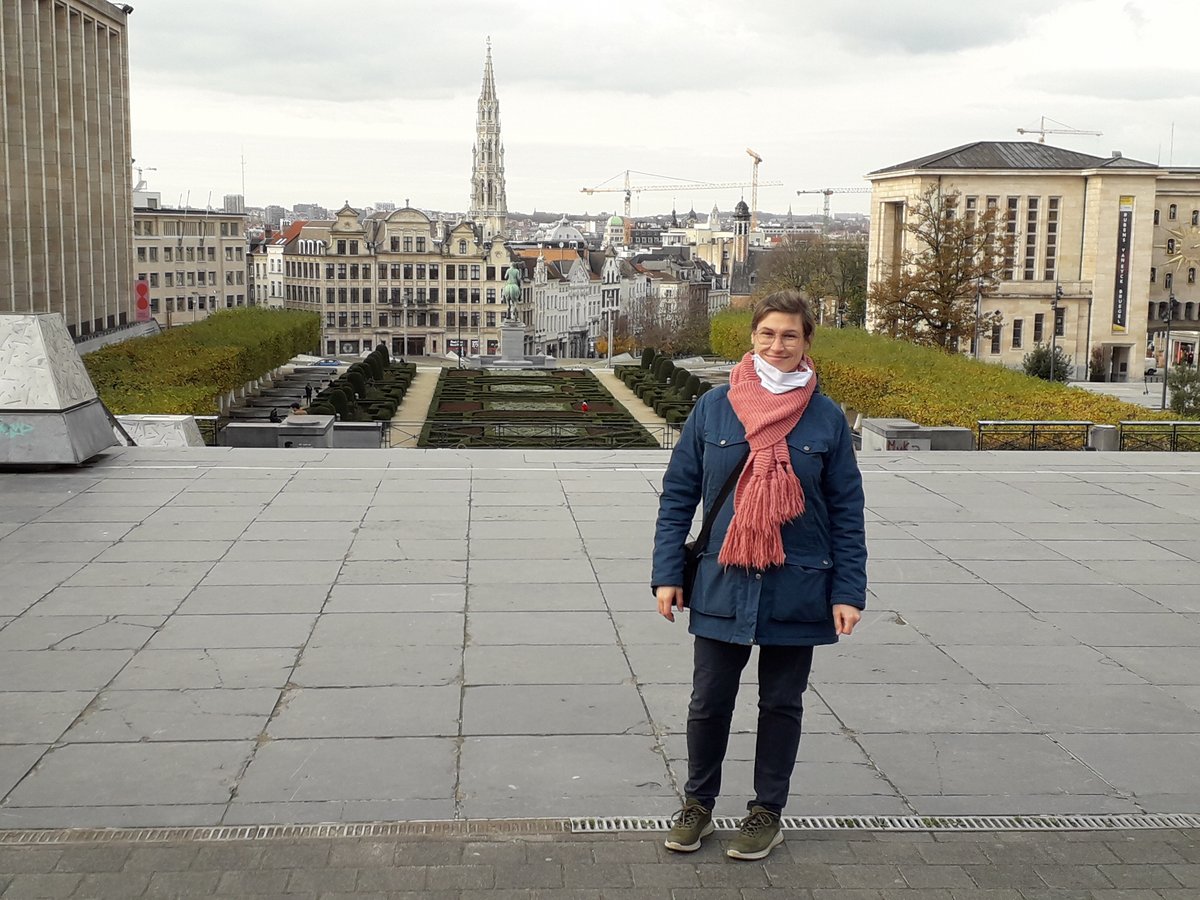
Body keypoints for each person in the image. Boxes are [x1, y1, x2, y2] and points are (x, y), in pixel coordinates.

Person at [652, 289, 867, 861]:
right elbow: (678, 495)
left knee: (781, 703)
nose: (778, 345)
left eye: (790, 335)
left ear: (807, 342)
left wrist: (848, 591)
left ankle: (766, 812)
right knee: (709, 701)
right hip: (725, 576)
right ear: (752, 337)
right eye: (768, 334)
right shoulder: (715, 408)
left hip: (798, 583)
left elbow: (847, 510)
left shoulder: (825, 416)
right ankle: (697, 804)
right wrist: (667, 573)